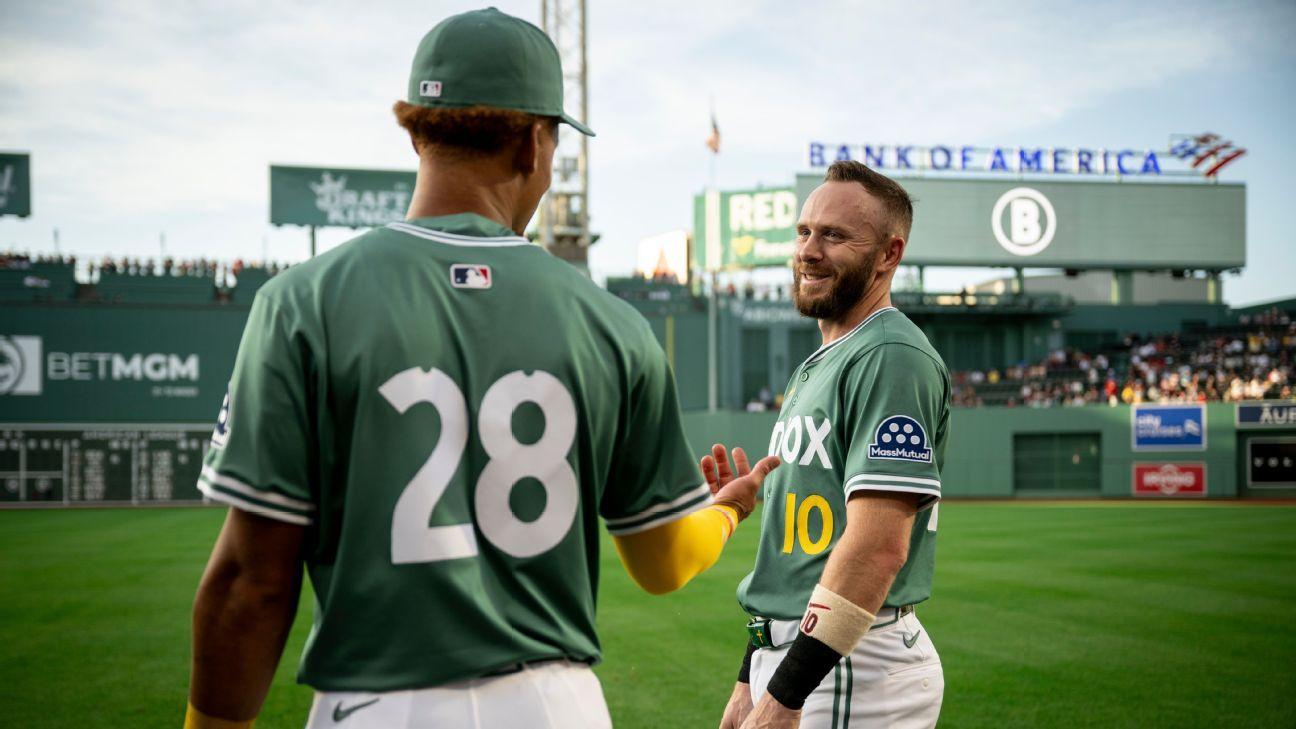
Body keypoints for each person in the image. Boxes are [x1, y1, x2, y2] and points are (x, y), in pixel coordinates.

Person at [185, 8, 779, 729]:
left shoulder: (300, 302)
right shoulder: (616, 326)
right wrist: (729, 507)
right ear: (534, 144)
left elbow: (250, 584)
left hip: (374, 705)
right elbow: (661, 565)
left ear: (415, 130)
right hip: (554, 705)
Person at [717, 161, 950, 729]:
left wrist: (785, 694)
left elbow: (876, 549)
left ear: (888, 255)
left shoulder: (890, 354)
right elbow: (792, 560)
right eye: (804, 232)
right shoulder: (822, 362)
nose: (809, 250)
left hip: (846, 663)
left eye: (835, 235)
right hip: (810, 656)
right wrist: (753, 673)